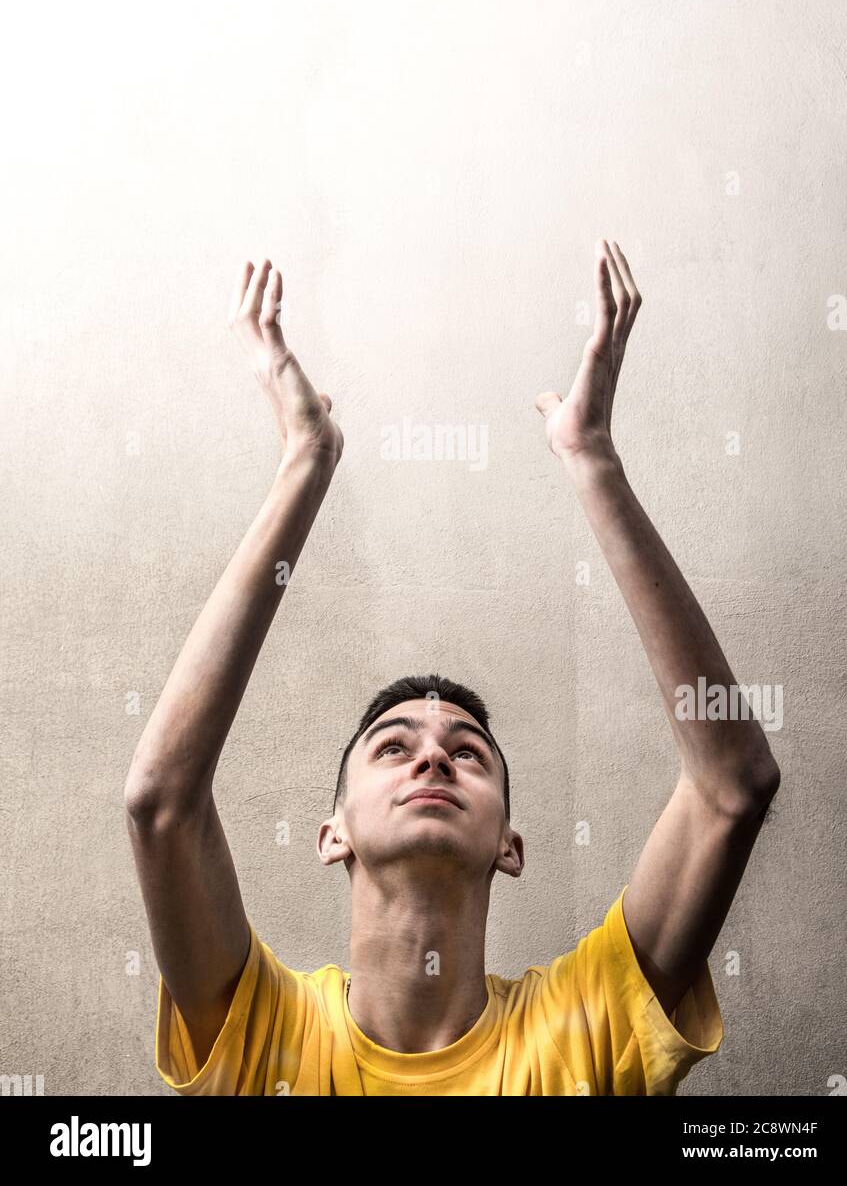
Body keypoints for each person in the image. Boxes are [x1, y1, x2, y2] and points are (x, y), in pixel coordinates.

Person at [124, 242, 780, 1096]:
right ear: (332, 834)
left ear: (509, 845)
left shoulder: (581, 1029)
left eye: (467, 752)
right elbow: (161, 803)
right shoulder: (268, 1035)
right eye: (393, 747)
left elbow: (733, 786)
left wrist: (592, 460)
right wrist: (304, 464)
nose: (433, 756)